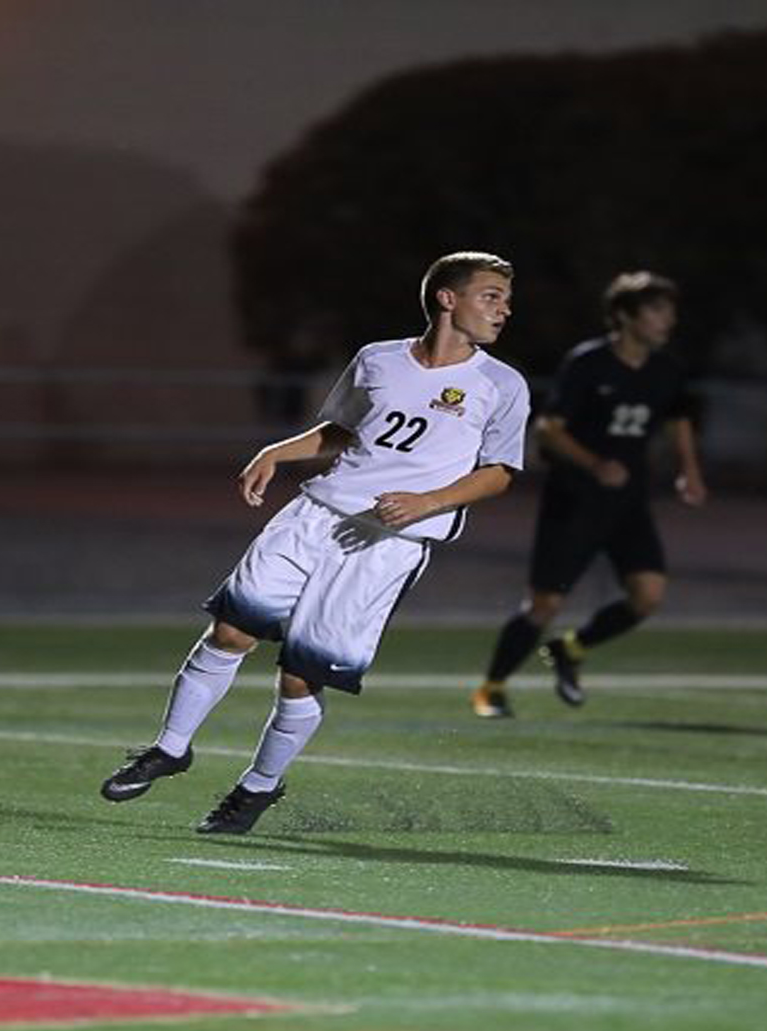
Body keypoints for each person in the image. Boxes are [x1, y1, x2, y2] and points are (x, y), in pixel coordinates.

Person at [98, 251, 531, 834]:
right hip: (314, 514)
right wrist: (276, 451)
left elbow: (501, 471)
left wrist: (428, 502)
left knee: (301, 674)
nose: (504, 309)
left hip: (385, 543)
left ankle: (257, 788)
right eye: (491, 295)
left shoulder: (502, 384)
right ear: (447, 299)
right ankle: (172, 747)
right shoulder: (377, 359)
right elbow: (343, 429)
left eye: (505, 299)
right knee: (230, 628)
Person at [472, 271, 707, 718]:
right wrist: (595, 463)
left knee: (648, 596)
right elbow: (548, 429)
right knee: (544, 604)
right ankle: (491, 687)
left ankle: (571, 648)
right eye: (657, 311)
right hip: (575, 498)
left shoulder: (668, 369)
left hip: (628, 501)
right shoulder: (588, 363)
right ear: (625, 315)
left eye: (670, 312)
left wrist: (689, 472)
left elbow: (680, 420)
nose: (667, 321)